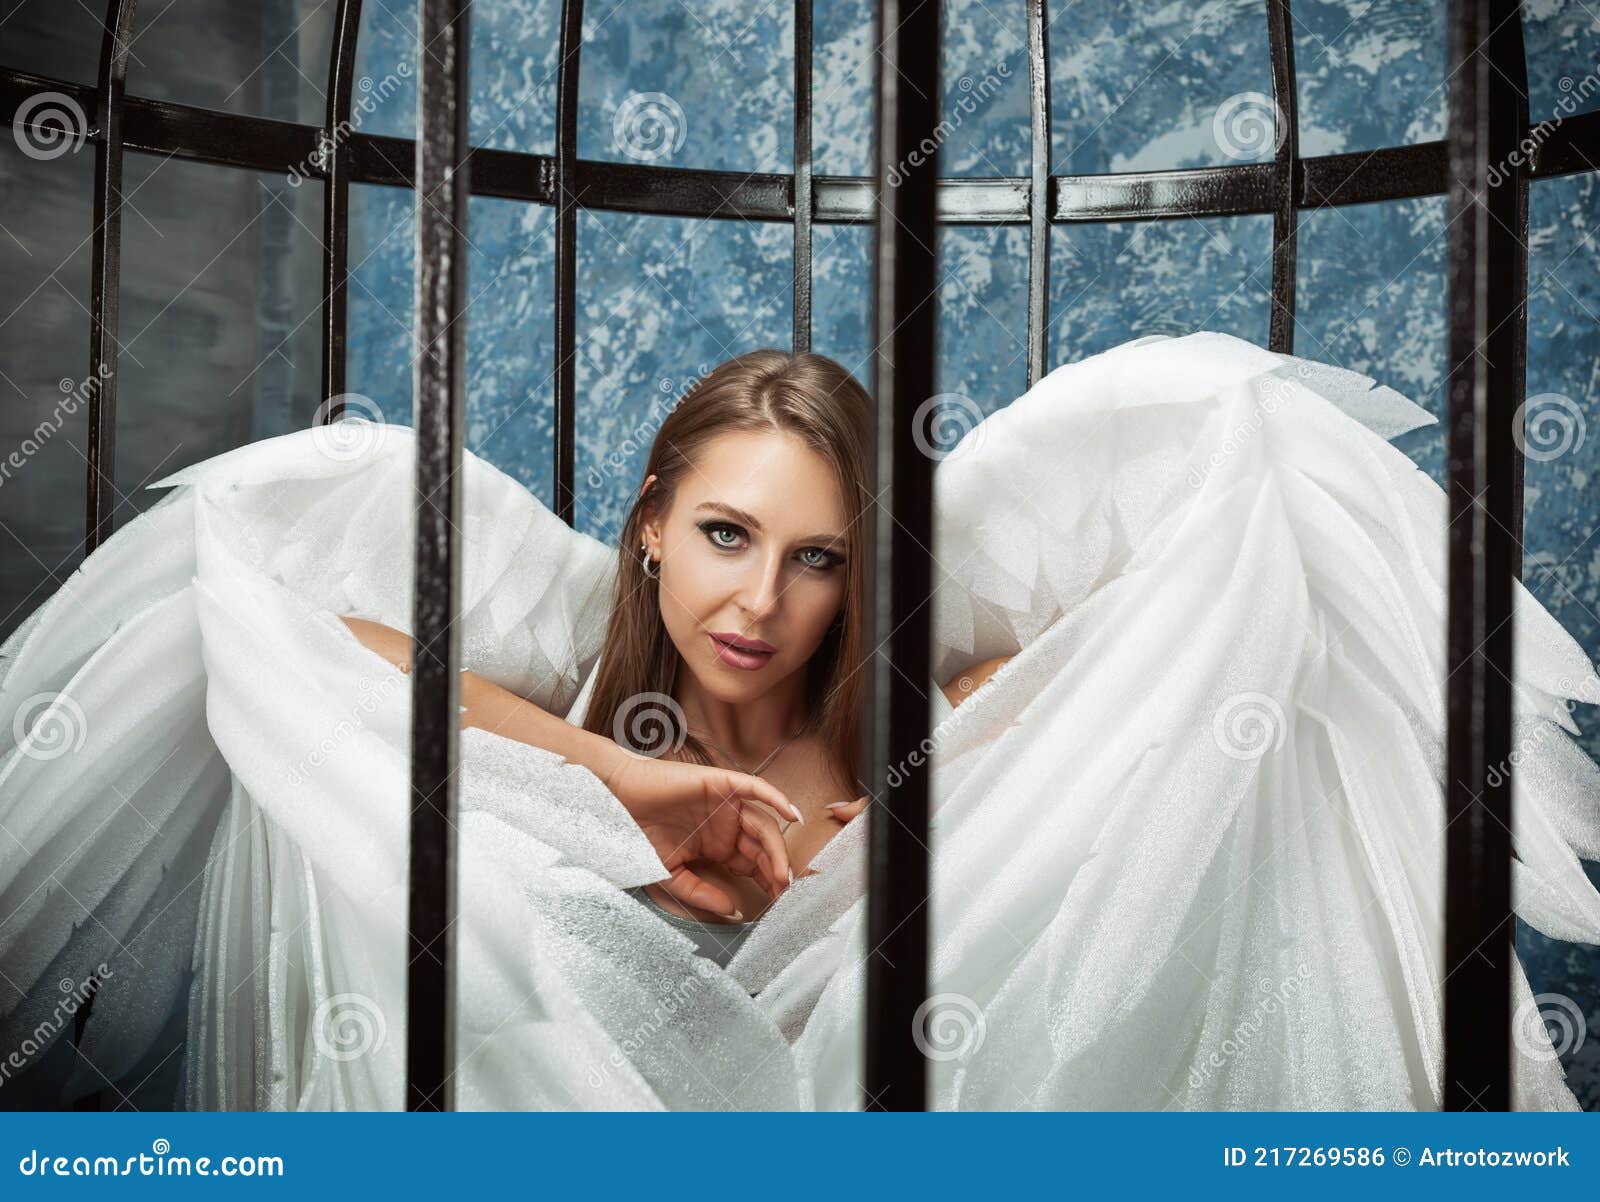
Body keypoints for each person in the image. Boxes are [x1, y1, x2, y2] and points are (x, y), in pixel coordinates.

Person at [1, 332, 1597, 1111]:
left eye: (818, 555)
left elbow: (1155, 695)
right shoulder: (562, 699)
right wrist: (613, 773)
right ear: (646, 526)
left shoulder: (944, 715)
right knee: (399, 815)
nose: (760, 598)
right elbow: (305, 629)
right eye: (724, 534)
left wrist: (897, 842)